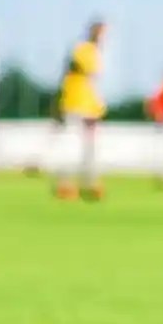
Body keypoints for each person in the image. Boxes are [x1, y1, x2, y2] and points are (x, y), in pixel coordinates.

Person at [54, 19, 107, 201]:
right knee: (72, 145)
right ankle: (65, 183)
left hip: (88, 104)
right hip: (75, 102)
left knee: (89, 147)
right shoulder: (83, 50)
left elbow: (91, 82)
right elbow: (81, 74)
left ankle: (89, 183)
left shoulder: (93, 52)